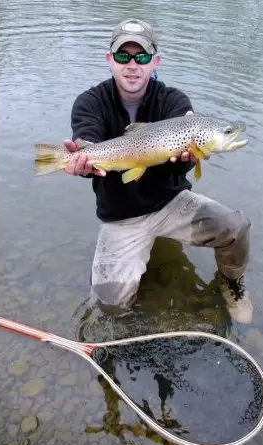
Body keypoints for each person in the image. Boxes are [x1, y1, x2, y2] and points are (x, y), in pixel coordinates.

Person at [63, 18, 253, 324]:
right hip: (120, 217)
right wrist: (81, 160)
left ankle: (231, 283)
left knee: (236, 227)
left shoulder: (174, 101)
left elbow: (185, 153)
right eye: (123, 56)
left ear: (155, 62)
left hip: (170, 204)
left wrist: (187, 159)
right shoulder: (89, 102)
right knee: (109, 308)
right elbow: (87, 140)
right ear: (110, 60)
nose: (132, 65)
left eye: (142, 56)